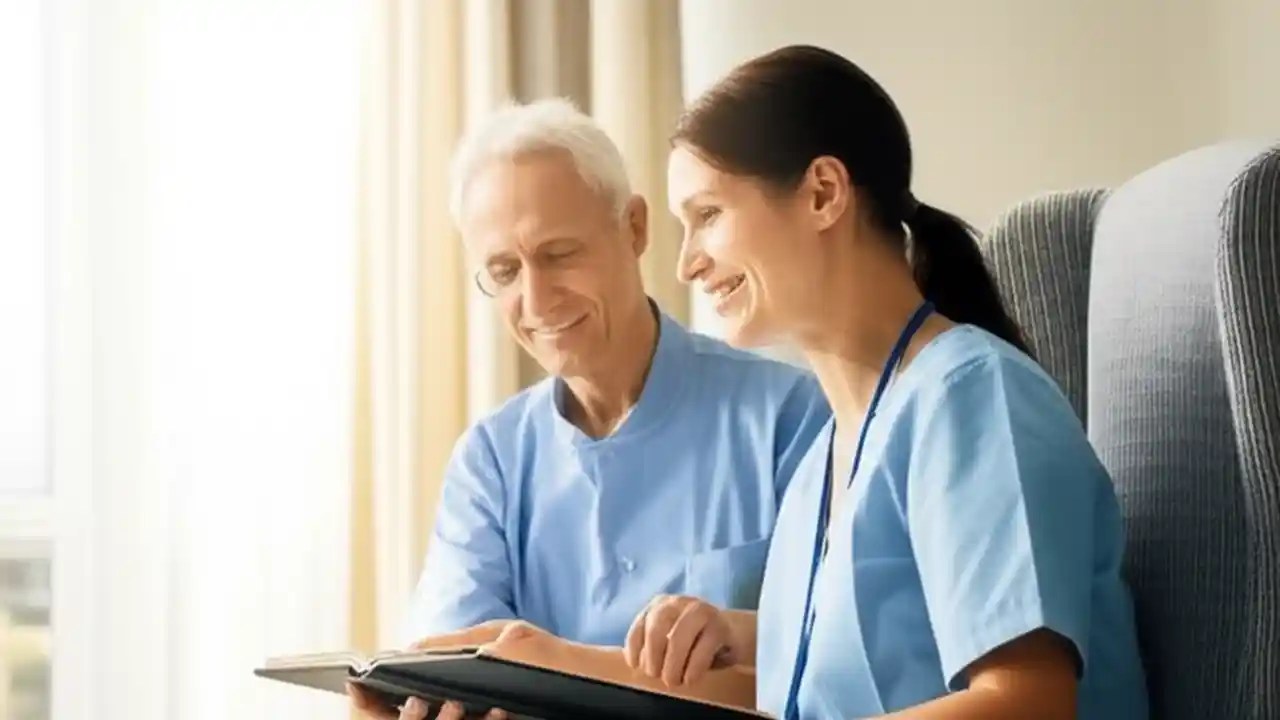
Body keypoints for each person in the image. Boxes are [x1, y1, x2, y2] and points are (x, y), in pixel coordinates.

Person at [377, 46, 1150, 720]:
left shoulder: (972, 399)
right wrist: (535, 660)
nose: (685, 264)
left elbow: (1027, 704)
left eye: (708, 215)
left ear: (822, 194)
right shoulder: (833, 452)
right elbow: (787, 700)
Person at [348, 98, 830, 720]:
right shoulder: (490, 461)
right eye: (504, 270)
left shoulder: (791, 419)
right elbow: (452, 673)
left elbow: (837, 674)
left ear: (633, 227)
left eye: (557, 255)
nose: (536, 298)